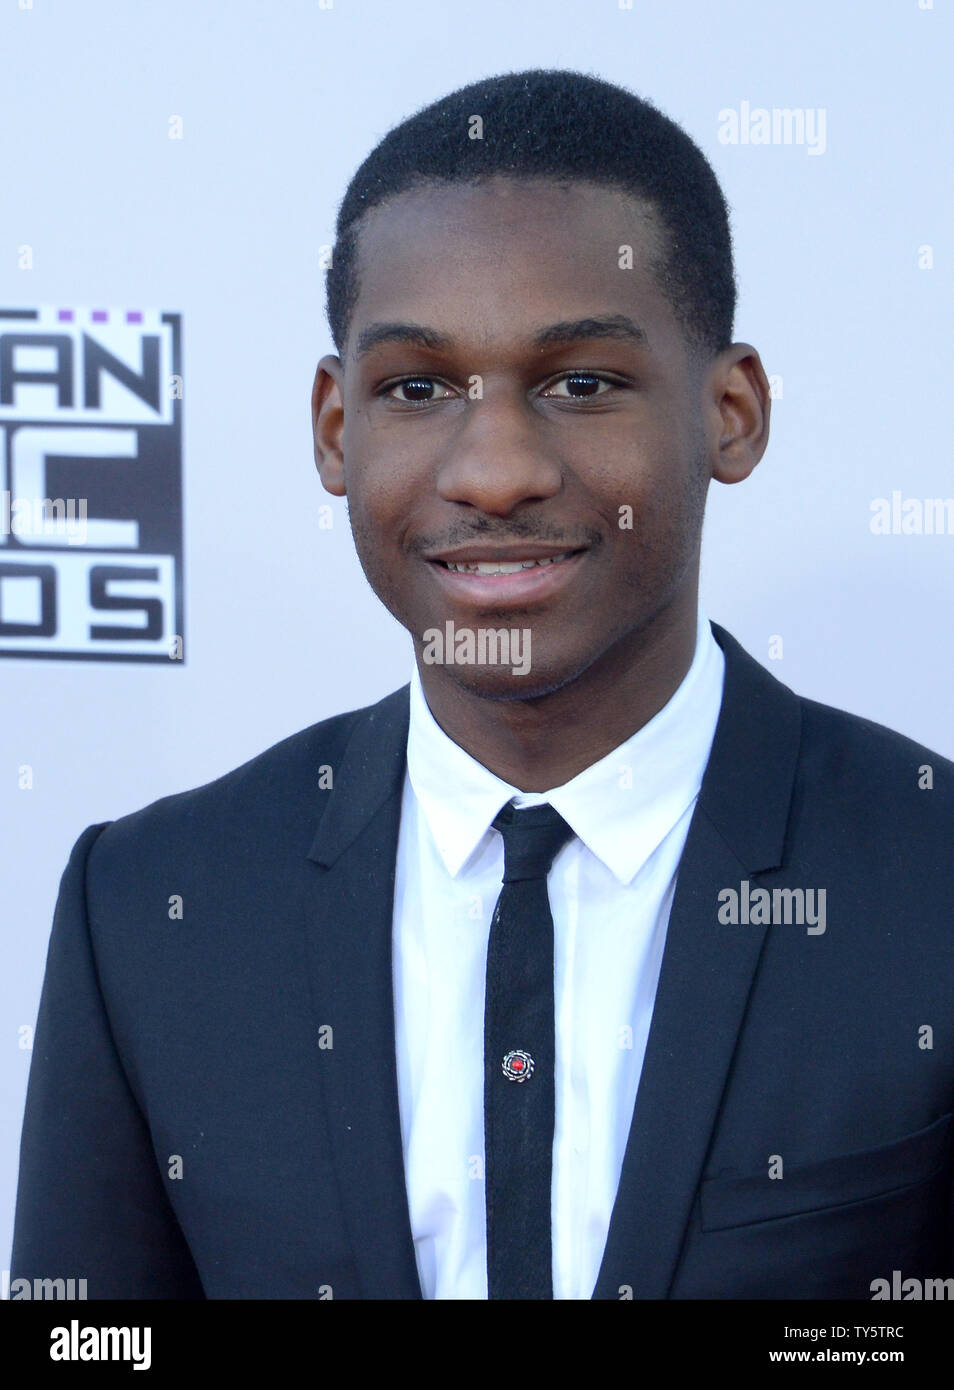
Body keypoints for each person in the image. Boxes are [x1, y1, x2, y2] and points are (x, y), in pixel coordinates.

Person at [11, 68, 954, 1301]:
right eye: (418, 388)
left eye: (580, 383)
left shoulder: (927, 874)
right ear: (337, 430)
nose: (496, 470)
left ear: (731, 413)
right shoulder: (147, 909)